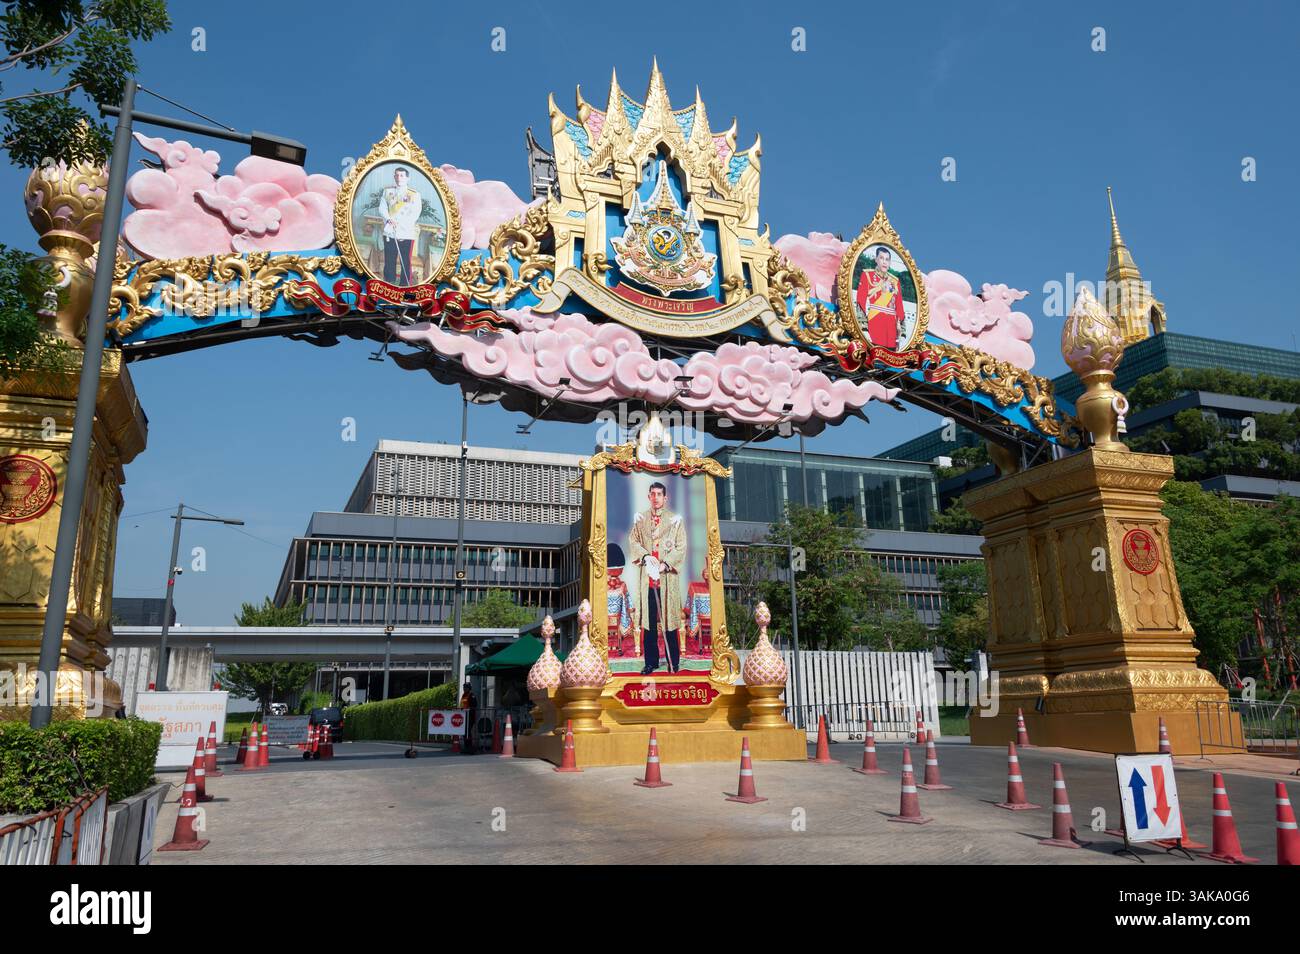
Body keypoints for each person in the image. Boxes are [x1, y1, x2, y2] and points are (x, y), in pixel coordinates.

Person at [628, 481, 686, 674]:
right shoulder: (641, 519)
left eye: (659, 494)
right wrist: (645, 557)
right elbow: (633, 541)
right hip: (648, 580)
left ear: (665, 497)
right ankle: (651, 662)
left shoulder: (674, 520)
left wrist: (664, 563)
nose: (655, 497)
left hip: (667, 580)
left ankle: (673, 662)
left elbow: (680, 546)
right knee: (649, 624)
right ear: (648, 497)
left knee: (670, 623)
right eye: (652, 494)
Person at [854, 246, 907, 349]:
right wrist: (864, 329)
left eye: (887, 259)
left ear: (890, 262)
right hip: (875, 325)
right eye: (881, 258)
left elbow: (899, 308)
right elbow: (861, 302)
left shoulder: (895, 281)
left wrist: (903, 333)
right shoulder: (867, 275)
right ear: (876, 259)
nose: (884, 262)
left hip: (891, 331)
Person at [379, 166, 422, 286]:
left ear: (407, 178)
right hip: (390, 231)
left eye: (402, 175)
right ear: (394, 177)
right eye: (397, 175)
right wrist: (388, 219)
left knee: (405, 261)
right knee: (389, 260)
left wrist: (401, 224)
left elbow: (415, 213)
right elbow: (382, 208)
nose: (399, 178)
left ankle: (405, 284)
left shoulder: (414, 194)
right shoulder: (387, 192)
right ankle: (389, 283)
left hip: (405, 232)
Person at [606, 543, 636, 656]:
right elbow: (628, 604)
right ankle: (620, 636)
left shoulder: (621, 586)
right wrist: (631, 610)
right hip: (617, 616)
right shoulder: (622, 586)